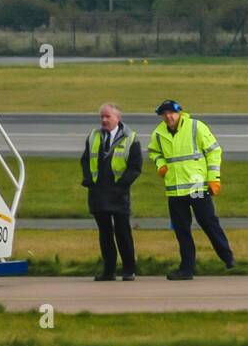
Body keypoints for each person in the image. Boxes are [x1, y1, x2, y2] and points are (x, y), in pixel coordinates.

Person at [148, 99, 235, 280]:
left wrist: (214, 179)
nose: (168, 117)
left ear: (179, 112)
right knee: (182, 230)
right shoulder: (158, 133)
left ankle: (228, 257)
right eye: (164, 114)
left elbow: (214, 151)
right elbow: (154, 152)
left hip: (196, 185)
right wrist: (160, 164)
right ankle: (187, 268)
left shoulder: (195, 127)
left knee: (208, 222)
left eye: (171, 113)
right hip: (175, 189)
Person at [80, 102, 141, 281]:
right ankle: (109, 270)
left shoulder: (130, 138)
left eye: (108, 116)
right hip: (98, 193)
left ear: (118, 118)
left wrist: (123, 184)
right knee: (105, 234)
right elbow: (85, 160)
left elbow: (135, 167)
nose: (104, 120)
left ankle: (129, 269)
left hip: (118, 193)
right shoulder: (93, 136)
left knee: (123, 232)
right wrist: (88, 180)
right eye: (102, 117)